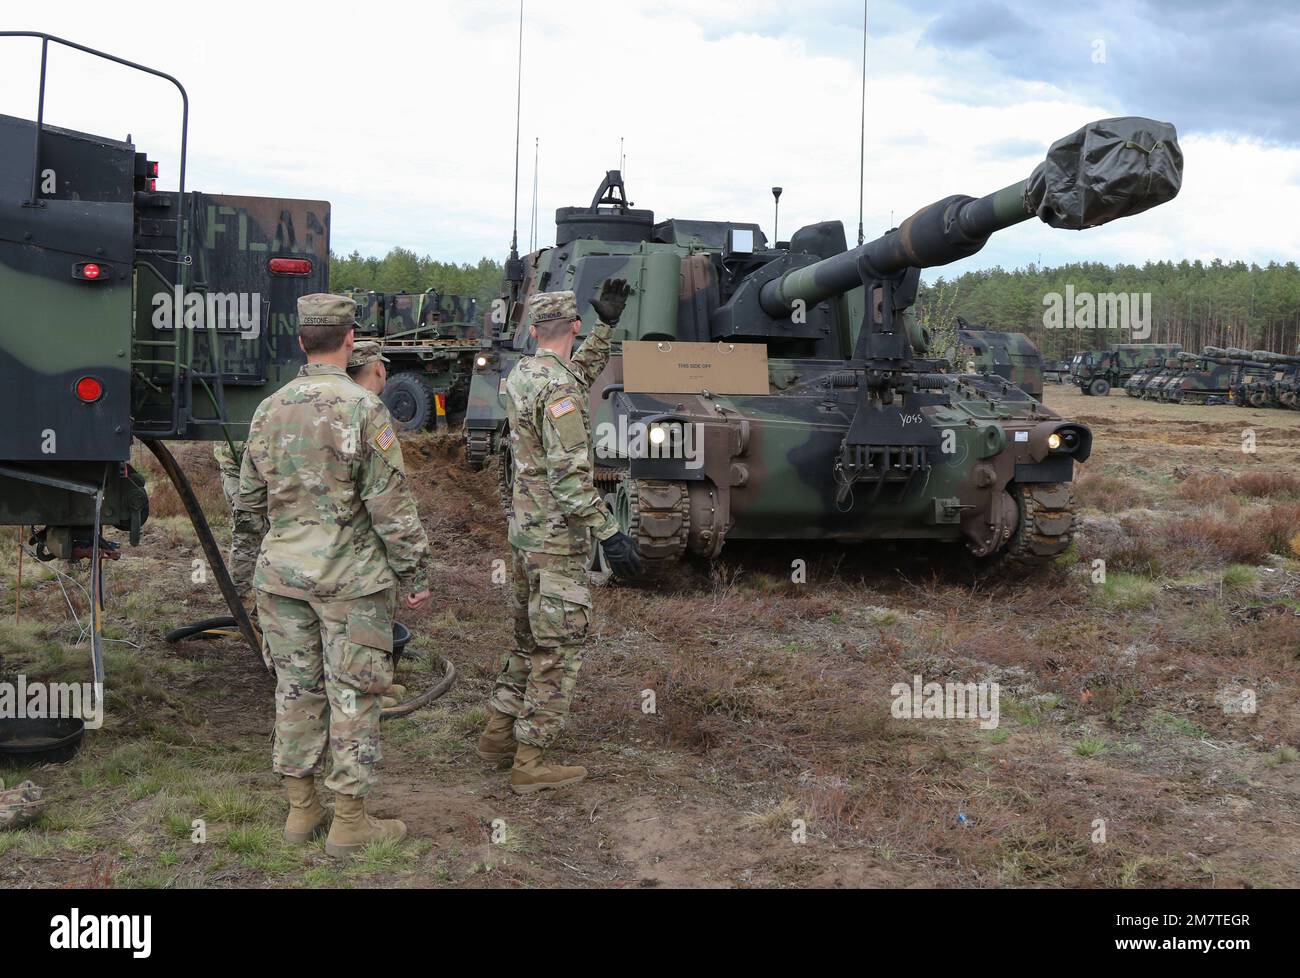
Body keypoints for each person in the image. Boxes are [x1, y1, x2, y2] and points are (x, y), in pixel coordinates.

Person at [232, 293, 433, 858]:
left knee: (295, 690)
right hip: (351, 582)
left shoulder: (268, 408)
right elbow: (391, 505)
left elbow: (247, 506)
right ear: (349, 342)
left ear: (301, 341)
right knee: (354, 693)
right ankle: (349, 824)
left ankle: (301, 812)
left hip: (282, 578)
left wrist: (245, 569)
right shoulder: (365, 409)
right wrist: (415, 570)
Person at [477, 281, 644, 794]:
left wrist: (606, 328)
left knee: (528, 640)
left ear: (532, 330)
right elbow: (571, 482)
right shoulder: (560, 391)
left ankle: (497, 735)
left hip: (526, 535)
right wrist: (611, 535)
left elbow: (575, 371)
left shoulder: (524, 374)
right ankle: (530, 762)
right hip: (555, 542)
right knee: (559, 648)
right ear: (572, 326)